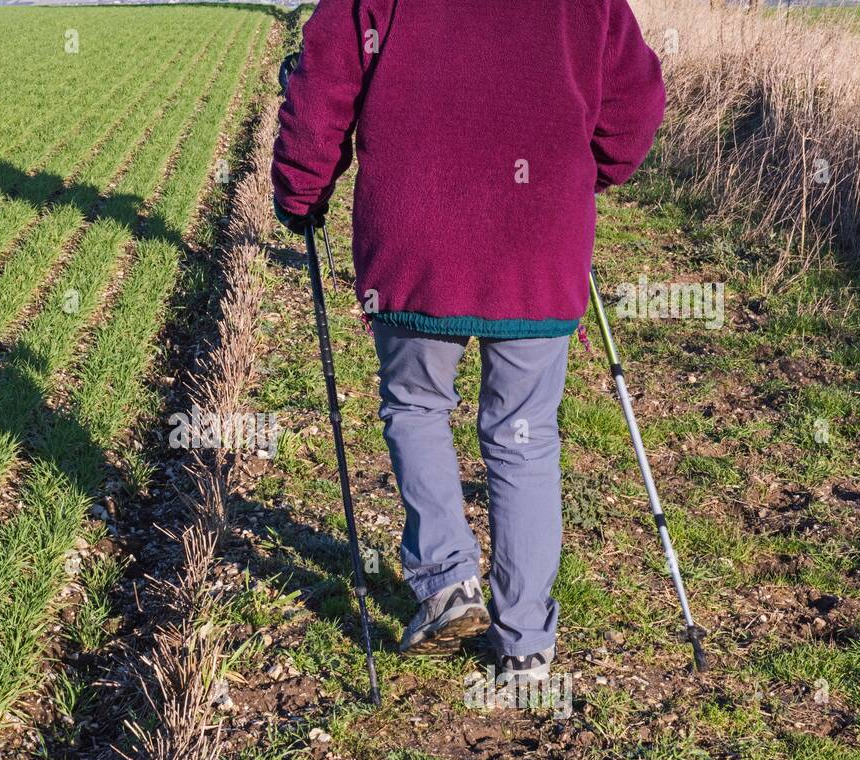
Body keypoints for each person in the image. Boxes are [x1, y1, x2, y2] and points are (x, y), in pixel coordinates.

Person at [272, 0, 665, 681]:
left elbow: (324, 84)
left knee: (418, 406)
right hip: (538, 242)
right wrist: (585, 174)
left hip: (417, 245)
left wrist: (301, 191)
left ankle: (449, 580)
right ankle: (527, 645)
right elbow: (635, 103)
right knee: (525, 432)